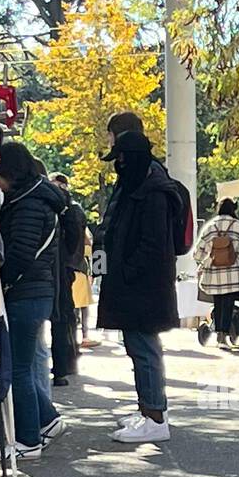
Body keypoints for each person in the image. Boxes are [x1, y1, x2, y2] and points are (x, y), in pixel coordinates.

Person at [98, 128, 184, 443]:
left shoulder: (153, 194)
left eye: (119, 158)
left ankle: (155, 416)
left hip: (143, 288)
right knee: (139, 349)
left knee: (145, 350)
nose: (117, 164)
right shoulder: (141, 186)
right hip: (136, 286)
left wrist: (126, 270)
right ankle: (148, 410)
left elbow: (152, 244)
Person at [0, 143, 69, 457]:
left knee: (19, 369)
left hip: (25, 293)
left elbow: (21, 253)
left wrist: (3, 279)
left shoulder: (27, 204)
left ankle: (28, 440)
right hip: (38, 292)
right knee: (22, 364)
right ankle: (48, 420)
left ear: (8, 173)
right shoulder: (36, 198)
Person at [194, 198, 239, 348]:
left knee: (218, 301)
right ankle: (223, 334)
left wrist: (205, 259)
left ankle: (218, 332)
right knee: (228, 301)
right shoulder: (238, 226)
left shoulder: (210, 226)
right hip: (233, 273)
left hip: (214, 273)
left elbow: (198, 252)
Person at [51, 172, 87, 386]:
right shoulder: (73, 209)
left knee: (63, 315)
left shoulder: (69, 210)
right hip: (67, 267)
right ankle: (65, 364)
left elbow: (75, 240)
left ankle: (65, 364)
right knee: (65, 316)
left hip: (63, 267)